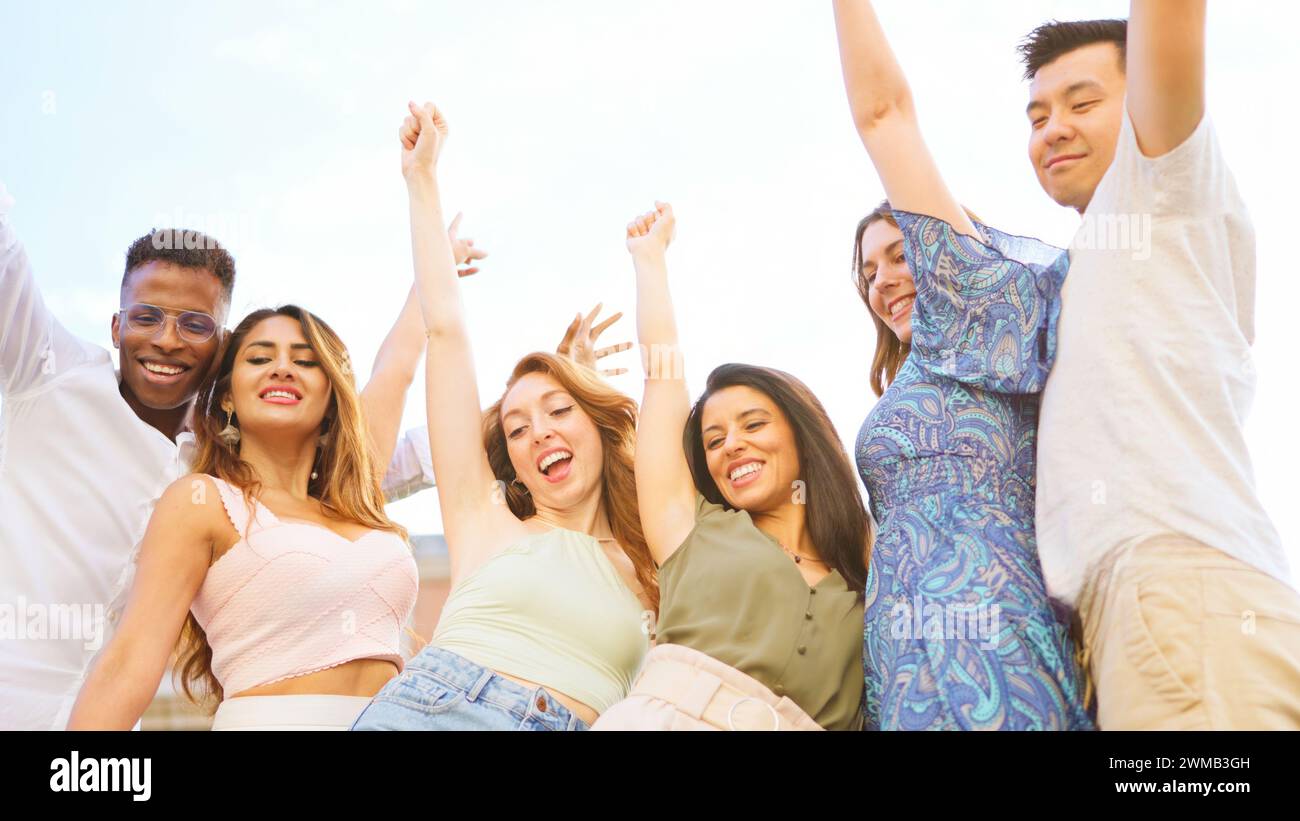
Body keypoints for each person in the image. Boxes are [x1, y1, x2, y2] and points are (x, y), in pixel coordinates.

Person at [1021, 3, 1300, 729]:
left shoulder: (1156, 183)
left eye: (1082, 102)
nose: (1052, 127)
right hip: (1147, 614)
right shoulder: (1093, 260)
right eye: (1036, 114)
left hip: (1177, 592)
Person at [350, 102, 655, 731]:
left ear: (597, 425)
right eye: (515, 428)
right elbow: (447, 331)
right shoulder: (484, 518)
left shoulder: (653, 558)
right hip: (427, 711)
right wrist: (422, 181)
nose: (536, 431)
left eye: (558, 410)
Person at [833, 0, 1092, 729]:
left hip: (993, 620)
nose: (883, 279)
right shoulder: (899, 393)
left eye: (900, 253)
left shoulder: (979, 318)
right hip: (896, 652)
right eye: (867, 273)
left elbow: (884, 116)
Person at [592, 202, 867, 731]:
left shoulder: (862, 568)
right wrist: (650, 262)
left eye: (754, 425)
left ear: (802, 437)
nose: (731, 446)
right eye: (713, 439)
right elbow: (663, 375)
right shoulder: (690, 528)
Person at [0, 179, 235, 729]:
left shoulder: (221, 463)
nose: (167, 340)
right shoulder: (45, 373)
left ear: (221, 345)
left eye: (195, 324)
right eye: (147, 316)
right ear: (116, 326)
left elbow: (350, 468)